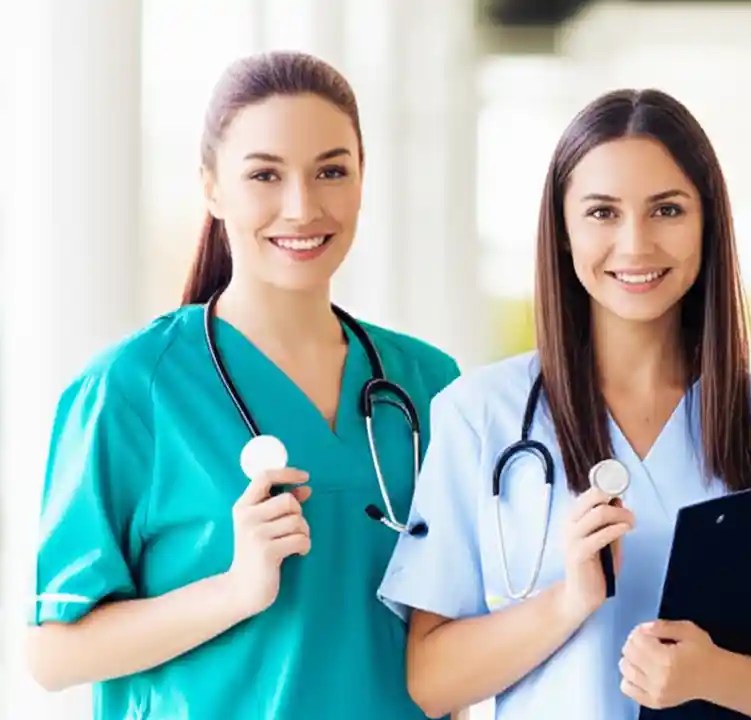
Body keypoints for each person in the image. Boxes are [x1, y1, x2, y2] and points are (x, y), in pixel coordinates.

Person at [376, 88, 751, 719]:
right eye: (603, 213)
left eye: (666, 210)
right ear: (562, 230)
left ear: (707, 223)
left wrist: (712, 674)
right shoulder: (480, 415)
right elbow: (431, 680)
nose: (635, 245)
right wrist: (568, 600)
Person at [26, 50, 459, 719]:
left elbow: (445, 640)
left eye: (331, 171)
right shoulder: (130, 388)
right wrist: (235, 590)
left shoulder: (427, 385)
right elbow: (54, 655)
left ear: (363, 179)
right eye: (264, 174)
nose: (301, 205)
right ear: (212, 186)